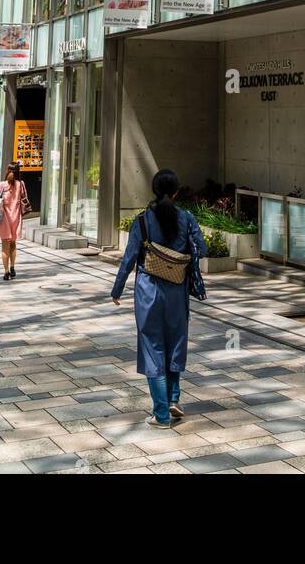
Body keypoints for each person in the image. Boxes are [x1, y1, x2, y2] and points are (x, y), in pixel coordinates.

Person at [111, 169, 207, 427]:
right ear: (176, 192)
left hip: (148, 289)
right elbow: (202, 249)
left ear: (153, 190)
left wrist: (117, 289)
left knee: (152, 347)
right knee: (176, 343)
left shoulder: (142, 220)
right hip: (177, 289)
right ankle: (174, 398)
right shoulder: (187, 218)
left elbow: (129, 257)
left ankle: (161, 414)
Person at [0, 164, 29, 281]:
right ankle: (13, 267)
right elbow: (25, 198)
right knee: (13, 244)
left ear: (8, 170)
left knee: (5, 246)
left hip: (5, 218)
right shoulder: (21, 184)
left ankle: (6, 272)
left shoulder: (2, 185)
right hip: (16, 217)